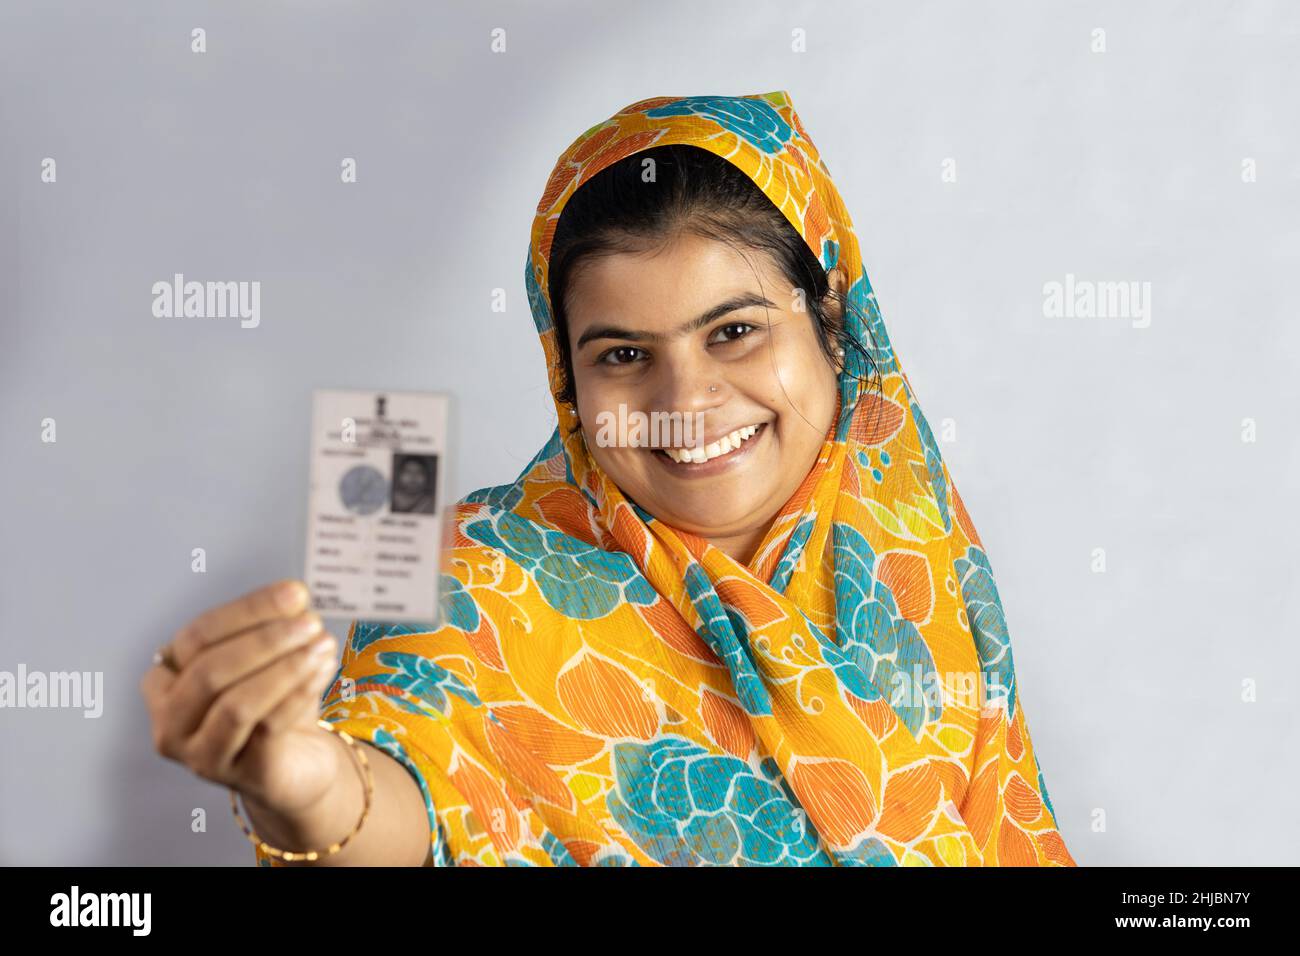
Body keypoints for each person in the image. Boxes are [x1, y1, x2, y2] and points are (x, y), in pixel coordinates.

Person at [141, 90, 1076, 867]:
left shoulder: (904, 528)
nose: (686, 399)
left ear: (831, 315)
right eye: (625, 353)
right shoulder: (478, 575)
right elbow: (409, 780)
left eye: (734, 331)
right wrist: (302, 786)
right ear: (566, 377)